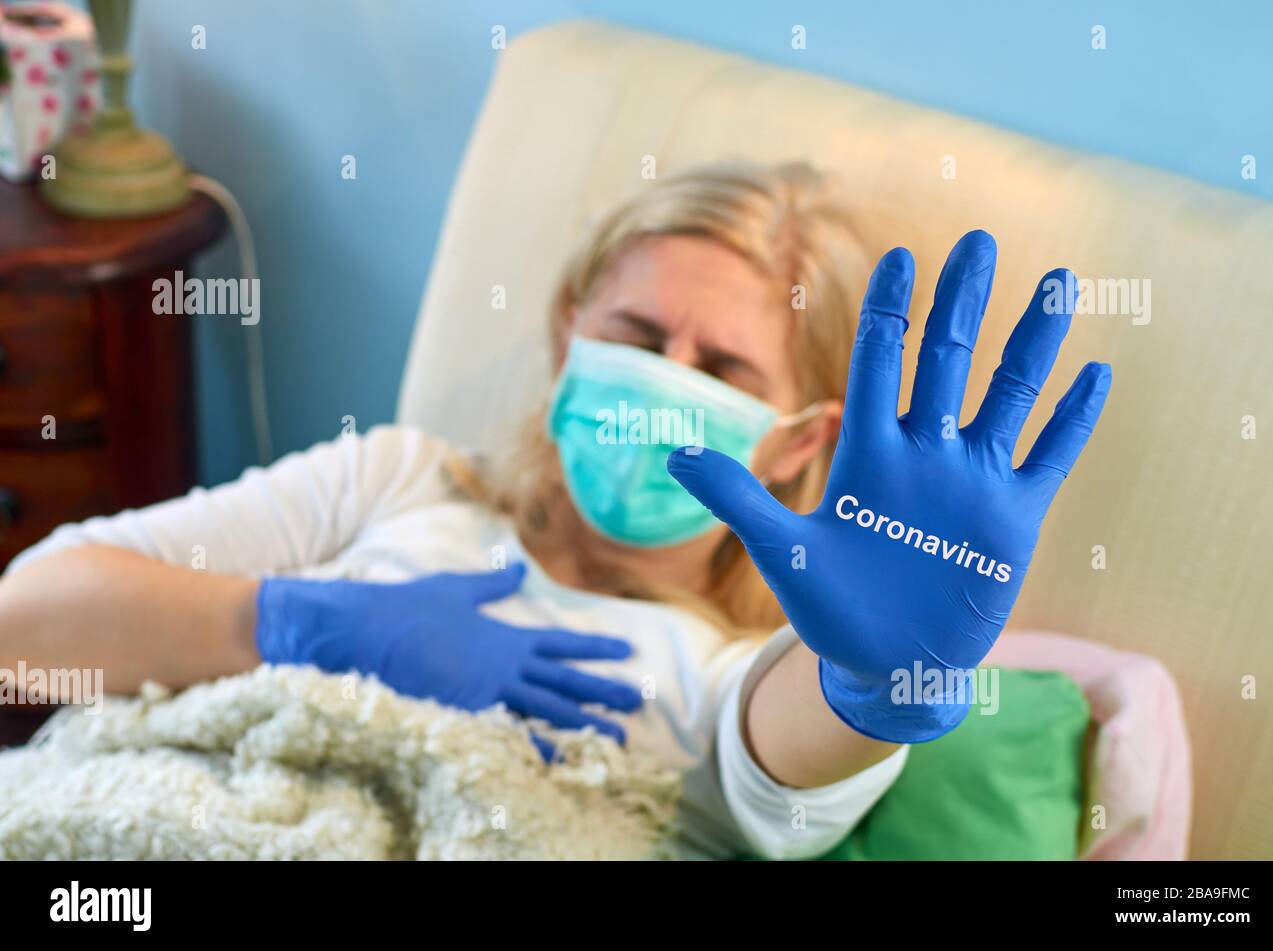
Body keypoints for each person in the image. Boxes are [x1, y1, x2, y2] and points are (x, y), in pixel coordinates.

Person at [0, 162, 1109, 859]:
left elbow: (788, 756)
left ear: (801, 441)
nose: (660, 378)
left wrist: (872, 685)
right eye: (634, 339)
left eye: (719, 367)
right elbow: (24, 632)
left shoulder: (731, 676)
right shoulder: (395, 479)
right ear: (568, 330)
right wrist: (297, 622)